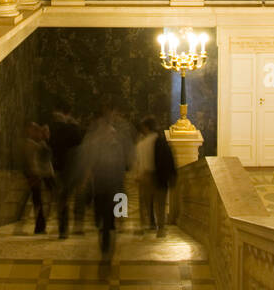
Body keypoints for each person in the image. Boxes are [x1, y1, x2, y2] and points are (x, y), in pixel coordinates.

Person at [80, 107, 133, 257]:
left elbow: (121, 172)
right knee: (103, 221)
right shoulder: (100, 148)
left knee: (109, 222)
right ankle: (105, 241)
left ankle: (106, 244)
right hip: (101, 189)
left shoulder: (115, 149)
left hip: (112, 189)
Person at [134, 116, 177, 235]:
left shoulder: (141, 144)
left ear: (146, 128)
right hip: (159, 176)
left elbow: (138, 162)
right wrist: (172, 175)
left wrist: (138, 174)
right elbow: (169, 159)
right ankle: (161, 229)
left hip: (144, 176)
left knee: (145, 203)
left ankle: (146, 225)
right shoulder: (161, 141)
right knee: (160, 204)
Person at [48, 100, 84, 239]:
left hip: (63, 167)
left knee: (63, 198)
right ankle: (67, 228)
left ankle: (64, 230)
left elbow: (55, 143)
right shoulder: (71, 127)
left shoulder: (62, 126)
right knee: (65, 197)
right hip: (68, 167)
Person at [23, 121, 53, 235]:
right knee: (38, 201)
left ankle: (40, 226)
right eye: (34, 129)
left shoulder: (37, 143)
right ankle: (40, 226)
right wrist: (35, 173)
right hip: (36, 174)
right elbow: (34, 161)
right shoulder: (32, 144)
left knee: (39, 201)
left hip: (38, 174)